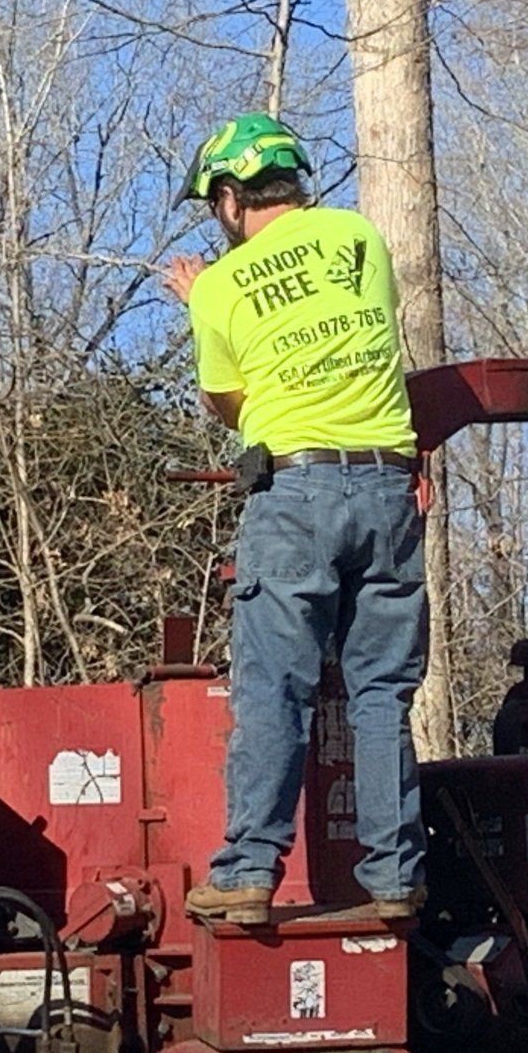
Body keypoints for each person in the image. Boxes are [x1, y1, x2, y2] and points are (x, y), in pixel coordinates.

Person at [163, 113, 426, 926]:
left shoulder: (219, 286)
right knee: (381, 694)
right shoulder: (358, 238)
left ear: (231, 197)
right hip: (387, 487)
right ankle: (394, 877)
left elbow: (229, 404)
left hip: (295, 494)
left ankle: (248, 872)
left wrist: (201, 300)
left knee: (276, 689)